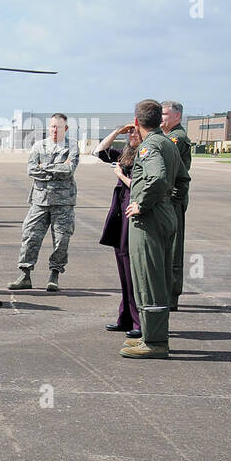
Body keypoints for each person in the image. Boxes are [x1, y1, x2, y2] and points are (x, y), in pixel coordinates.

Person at [120, 99, 179, 360]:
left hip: (150, 220)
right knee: (157, 277)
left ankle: (154, 342)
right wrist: (171, 207)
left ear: (137, 122)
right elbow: (183, 181)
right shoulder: (167, 142)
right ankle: (151, 336)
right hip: (164, 214)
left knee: (148, 278)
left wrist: (142, 204)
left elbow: (157, 177)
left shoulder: (150, 146)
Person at [9, 113, 80, 292]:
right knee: (30, 235)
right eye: (52, 127)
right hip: (40, 201)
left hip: (63, 202)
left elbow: (68, 170)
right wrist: (55, 168)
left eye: (59, 127)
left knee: (62, 240)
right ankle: (25, 274)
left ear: (66, 129)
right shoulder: (39, 146)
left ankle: (54, 275)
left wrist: (45, 167)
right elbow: (32, 170)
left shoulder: (72, 146)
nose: (55, 130)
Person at [96, 125, 142, 338]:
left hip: (132, 213)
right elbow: (99, 151)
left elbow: (140, 187)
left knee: (130, 269)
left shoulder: (144, 156)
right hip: (119, 212)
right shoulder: (127, 153)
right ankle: (125, 317)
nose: (132, 135)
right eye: (130, 133)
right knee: (122, 268)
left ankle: (137, 321)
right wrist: (117, 131)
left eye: (136, 132)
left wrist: (119, 174)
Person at [160, 101, 192, 310]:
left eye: (164, 114)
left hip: (173, 200)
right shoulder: (166, 137)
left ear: (177, 117)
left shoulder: (176, 138)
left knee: (173, 248)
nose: (161, 117)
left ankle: (171, 296)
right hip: (166, 198)